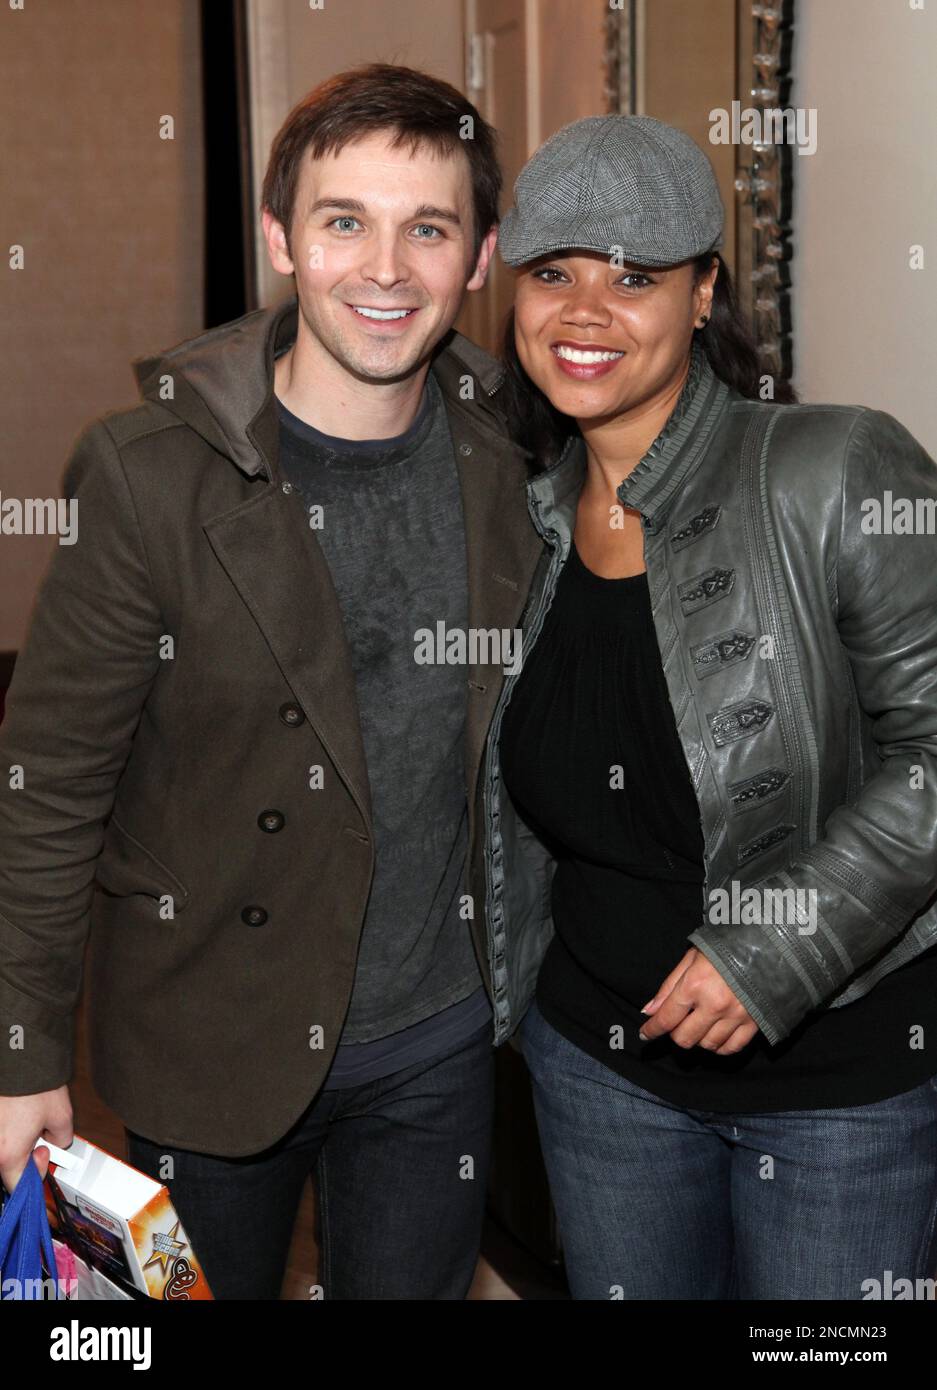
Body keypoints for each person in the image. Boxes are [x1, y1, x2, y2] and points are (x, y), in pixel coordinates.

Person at [0, 63, 547, 1300]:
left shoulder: (508, 448)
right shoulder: (148, 473)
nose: (385, 267)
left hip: (436, 1041)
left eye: (430, 228)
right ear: (279, 239)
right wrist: (22, 1047)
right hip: (212, 1032)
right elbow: (49, 783)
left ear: (480, 257)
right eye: (344, 221)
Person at [483, 114, 937, 1299]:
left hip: (837, 1087)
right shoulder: (519, 519)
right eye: (552, 273)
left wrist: (770, 950)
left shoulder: (833, 468)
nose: (585, 311)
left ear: (704, 296)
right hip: (597, 1072)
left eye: (635, 276)